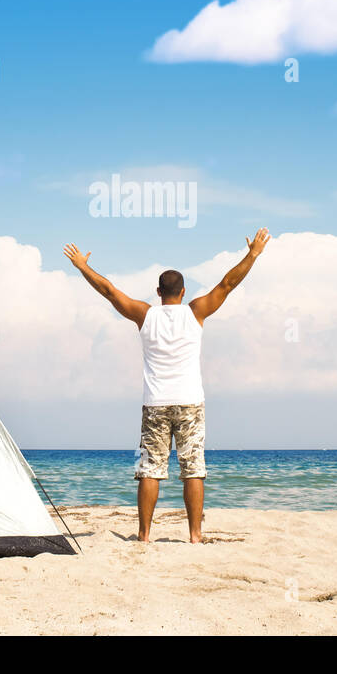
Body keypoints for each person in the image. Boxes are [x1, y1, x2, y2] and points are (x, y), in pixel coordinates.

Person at [63, 229, 271, 543]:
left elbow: (108, 291)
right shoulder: (196, 311)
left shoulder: (145, 315)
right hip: (190, 403)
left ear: (158, 292)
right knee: (193, 469)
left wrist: (82, 267)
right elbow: (228, 283)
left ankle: (144, 535)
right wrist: (253, 254)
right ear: (183, 291)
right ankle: (195, 535)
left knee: (149, 469)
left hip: (156, 403)